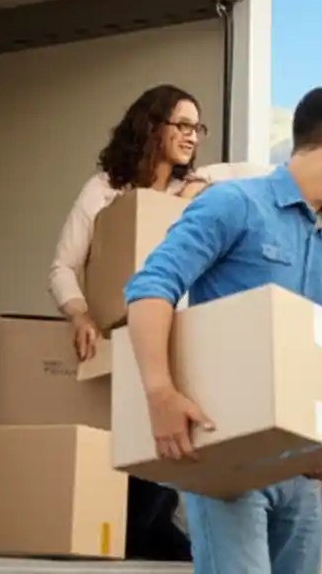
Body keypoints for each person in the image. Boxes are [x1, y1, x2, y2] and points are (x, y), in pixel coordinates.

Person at [122, 83, 322, 574]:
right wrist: (159, 393)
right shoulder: (234, 205)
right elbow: (149, 288)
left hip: (301, 471)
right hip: (227, 457)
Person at [47, 83, 213, 562]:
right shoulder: (104, 191)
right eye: (182, 124)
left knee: (171, 467)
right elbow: (62, 265)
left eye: (196, 127)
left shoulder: (197, 195)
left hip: (182, 344)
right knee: (135, 466)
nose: (191, 136)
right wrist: (79, 312)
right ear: (152, 127)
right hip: (119, 345)